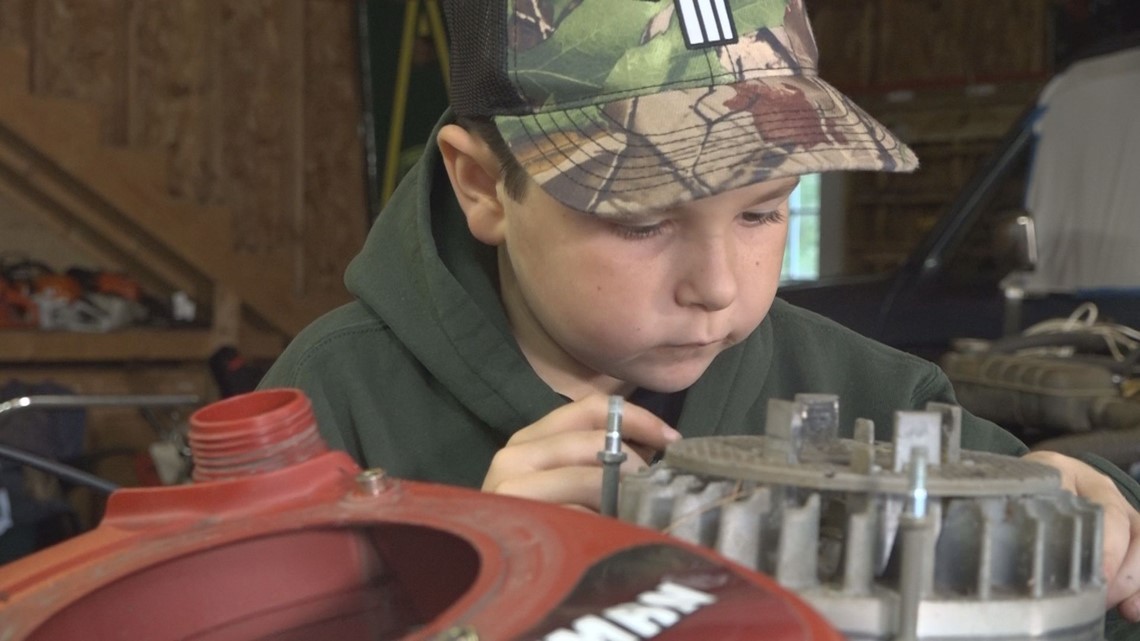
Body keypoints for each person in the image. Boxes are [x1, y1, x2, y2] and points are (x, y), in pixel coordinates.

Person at [259, 0, 1140, 631]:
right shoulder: (332, 409)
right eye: (642, 220)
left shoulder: (878, 395)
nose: (719, 285)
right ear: (484, 184)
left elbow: (1090, 550)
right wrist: (483, 600)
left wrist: (1108, 511)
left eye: (763, 212)